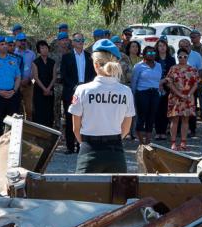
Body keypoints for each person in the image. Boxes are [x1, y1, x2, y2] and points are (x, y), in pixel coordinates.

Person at [68, 39, 135, 173]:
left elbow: (76, 128)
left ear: (95, 64)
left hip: (89, 151)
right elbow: (126, 128)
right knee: (118, 194)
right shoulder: (126, 91)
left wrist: (86, 145)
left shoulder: (82, 90)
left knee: (83, 193)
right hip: (116, 153)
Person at [58, 33, 96, 153]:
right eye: (77, 40)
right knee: (70, 119)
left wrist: (85, 86)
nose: (80, 42)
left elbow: (93, 75)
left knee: (85, 120)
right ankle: (70, 147)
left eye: (82, 40)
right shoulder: (66, 57)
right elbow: (64, 75)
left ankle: (82, 146)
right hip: (71, 92)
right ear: (72, 42)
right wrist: (75, 86)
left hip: (86, 92)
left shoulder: (89, 56)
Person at [163, 45, 200, 151]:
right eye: (180, 57)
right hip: (175, 98)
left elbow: (196, 84)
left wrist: (188, 94)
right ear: (177, 57)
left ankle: (183, 142)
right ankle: (173, 142)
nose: (182, 58)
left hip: (188, 98)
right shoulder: (173, 69)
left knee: (185, 120)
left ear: (188, 57)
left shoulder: (192, 69)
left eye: (185, 56)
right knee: (174, 120)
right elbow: (169, 83)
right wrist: (179, 94)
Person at [129, 47, 165, 145]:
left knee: (151, 116)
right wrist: (133, 95)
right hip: (142, 92)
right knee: (141, 117)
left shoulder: (158, 65)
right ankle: (141, 142)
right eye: (149, 52)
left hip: (154, 93)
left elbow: (158, 80)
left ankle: (148, 141)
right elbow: (134, 82)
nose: (152, 54)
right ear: (144, 54)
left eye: (153, 52)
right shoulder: (138, 66)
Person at [31, 39, 58, 129]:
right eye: (42, 48)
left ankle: (49, 131)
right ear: (39, 50)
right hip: (39, 90)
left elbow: (54, 77)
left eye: (46, 47)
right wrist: (44, 89)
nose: (44, 50)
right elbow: (36, 77)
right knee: (39, 111)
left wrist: (48, 89)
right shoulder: (35, 62)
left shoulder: (52, 62)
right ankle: (38, 132)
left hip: (50, 90)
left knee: (49, 111)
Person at [13, 31, 36, 118]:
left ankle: (29, 127)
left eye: (24, 40)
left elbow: (34, 69)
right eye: (20, 40)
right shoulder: (13, 53)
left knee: (29, 108)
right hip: (16, 84)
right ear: (16, 41)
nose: (23, 42)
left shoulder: (31, 54)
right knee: (17, 108)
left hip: (29, 84)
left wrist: (30, 80)